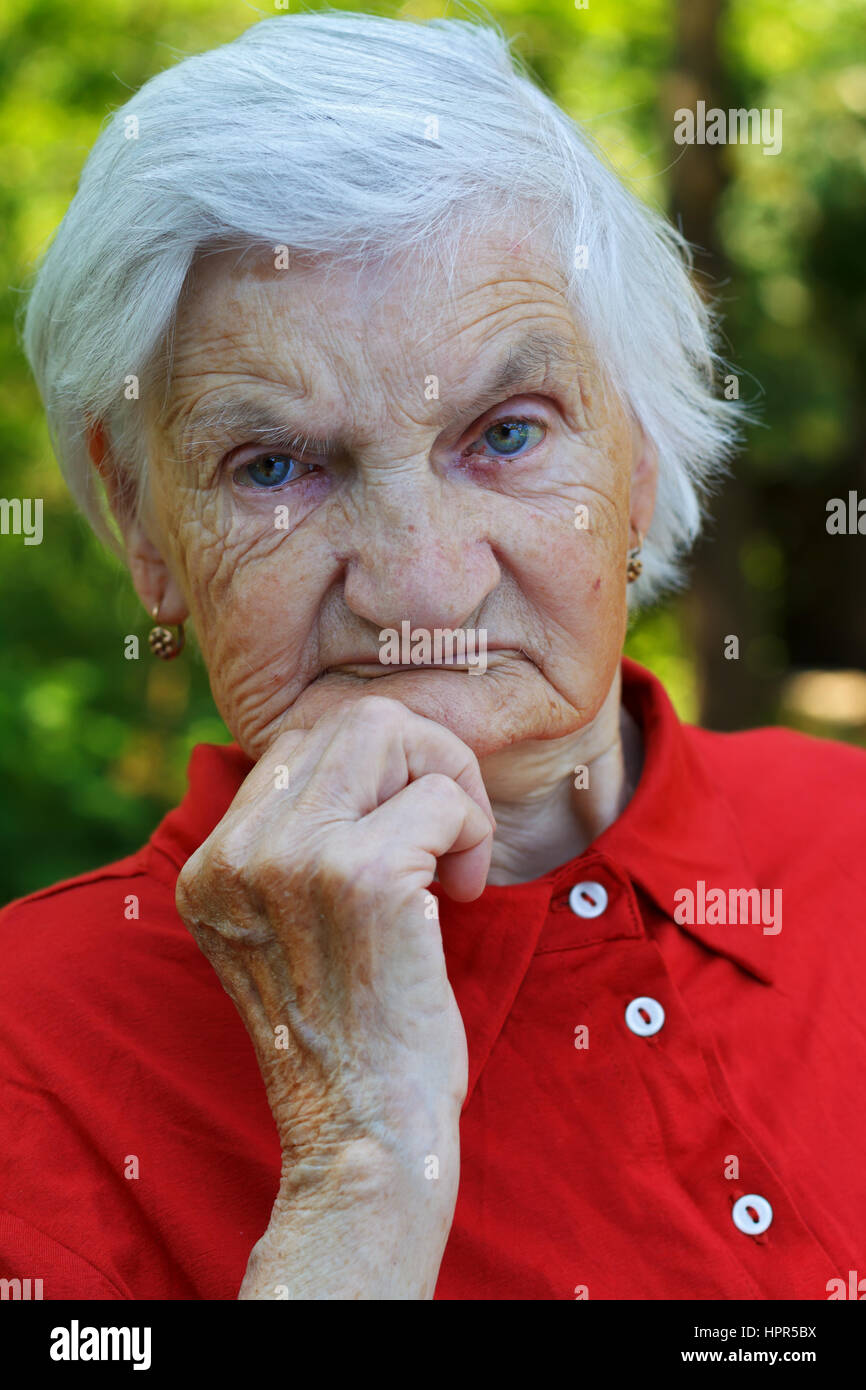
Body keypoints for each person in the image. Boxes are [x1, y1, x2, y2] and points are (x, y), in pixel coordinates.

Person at [2, 12, 864, 1301]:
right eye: (277, 467)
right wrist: (358, 1173)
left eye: (506, 435)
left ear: (638, 454)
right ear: (144, 524)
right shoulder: (33, 1050)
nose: (418, 580)